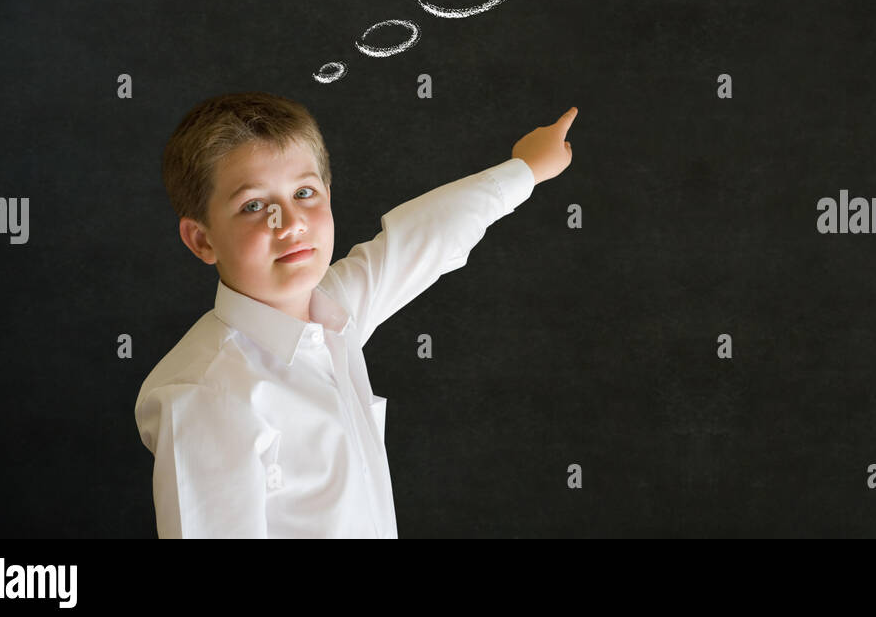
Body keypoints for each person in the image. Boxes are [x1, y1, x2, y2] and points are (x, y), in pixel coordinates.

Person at [134, 91, 577, 537]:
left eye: (303, 193)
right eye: (253, 205)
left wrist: (527, 170)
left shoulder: (331, 313)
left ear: (328, 194)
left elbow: (421, 240)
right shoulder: (204, 396)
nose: (290, 223)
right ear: (202, 240)